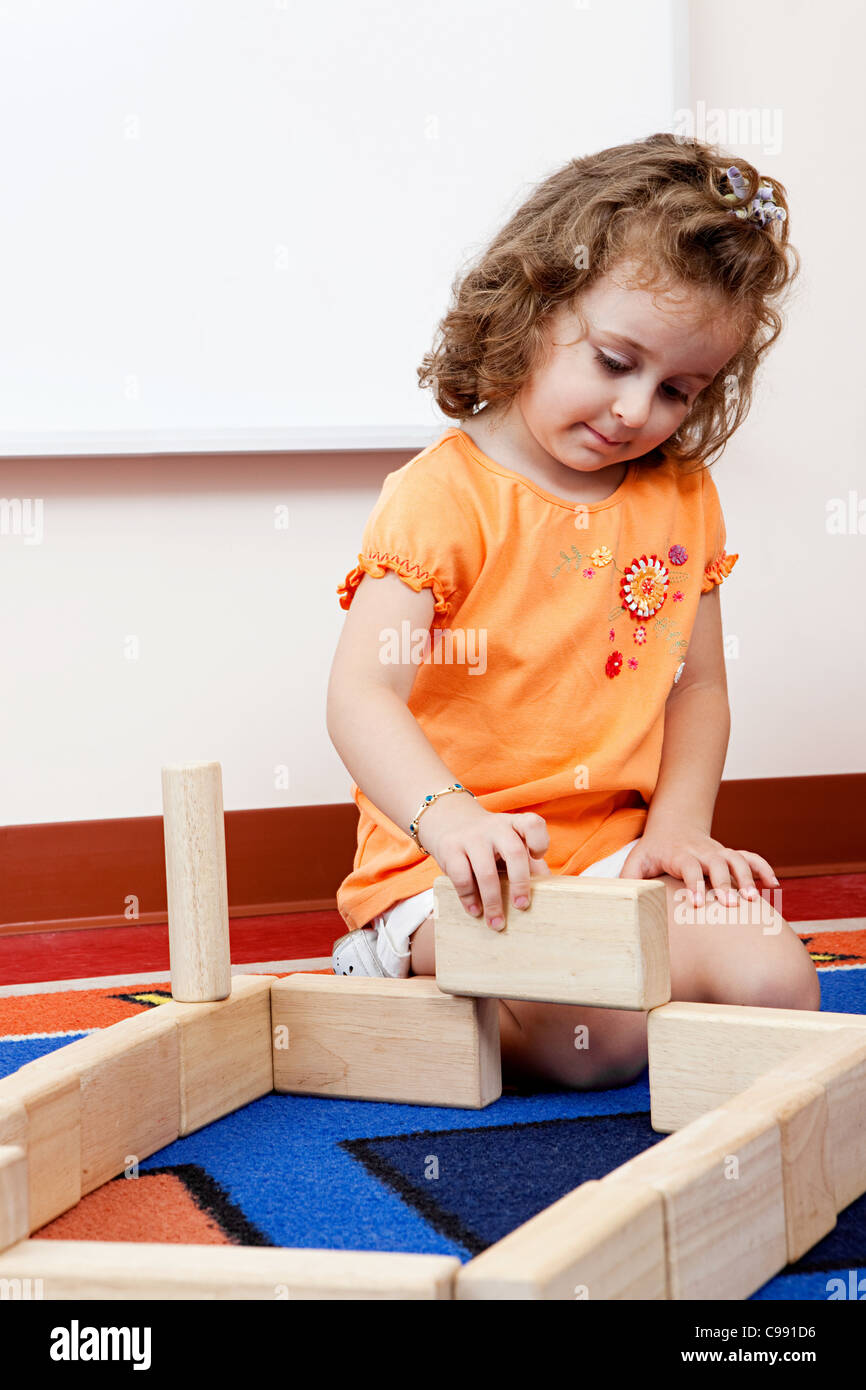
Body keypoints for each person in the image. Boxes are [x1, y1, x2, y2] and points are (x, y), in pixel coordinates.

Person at [326, 133, 820, 1091]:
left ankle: (582, 992)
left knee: (776, 982)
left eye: (679, 388)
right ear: (536, 303)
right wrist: (451, 821)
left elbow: (700, 686)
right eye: (614, 360)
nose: (638, 409)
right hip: (454, 872)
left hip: (613, 857)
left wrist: (679, 828)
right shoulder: (440, 498)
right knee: (589, 1045)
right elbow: (360, 695)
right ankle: (389, 970)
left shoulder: (679, 496)